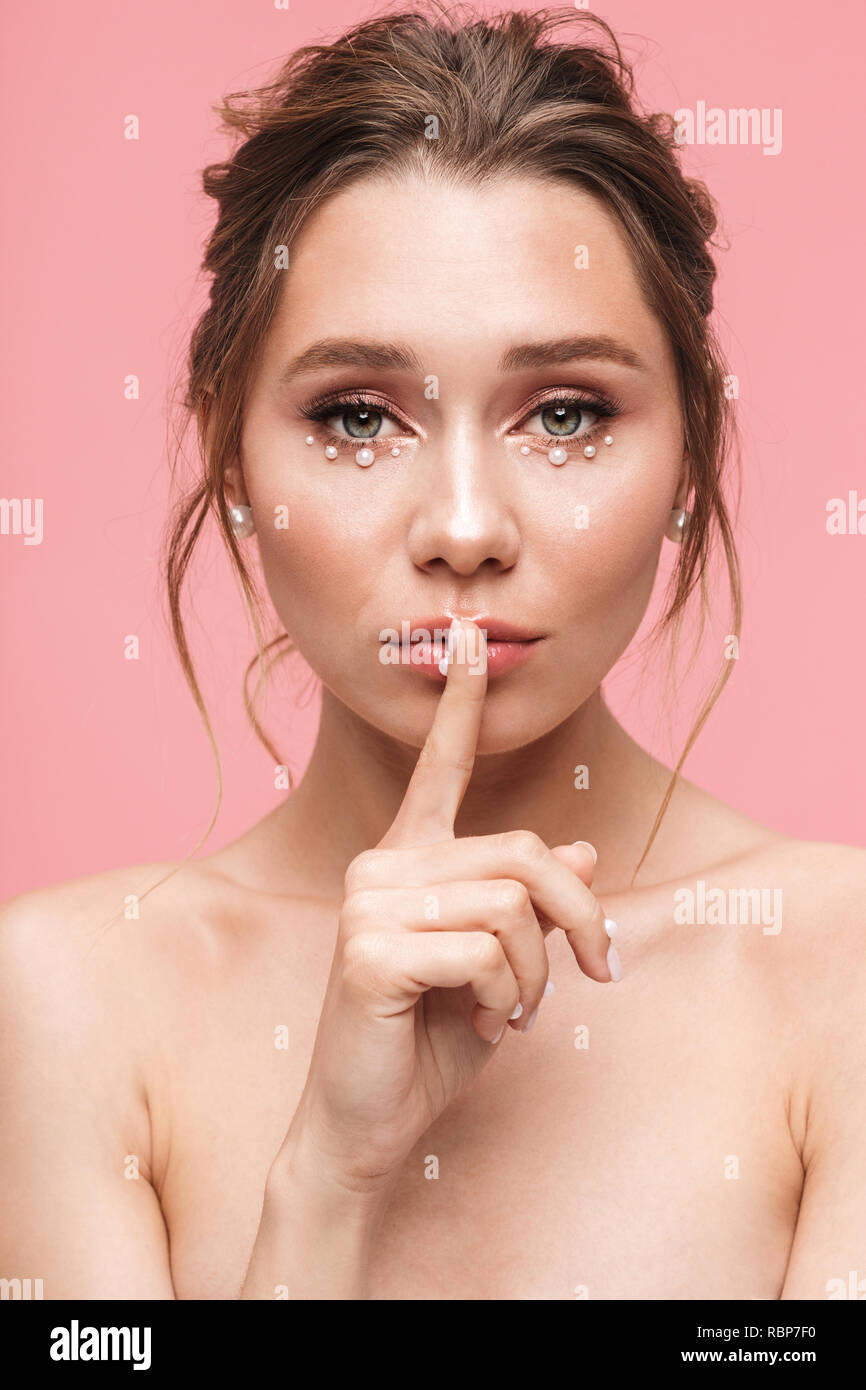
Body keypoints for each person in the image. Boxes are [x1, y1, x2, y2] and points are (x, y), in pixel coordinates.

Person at [2, 5, 864, 1301]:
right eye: (357, 416)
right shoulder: (63, 1003)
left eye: (565, 411)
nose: (464, 529)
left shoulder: (841, 976)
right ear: (231, 457)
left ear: (689, 453)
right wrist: (326, 1179)